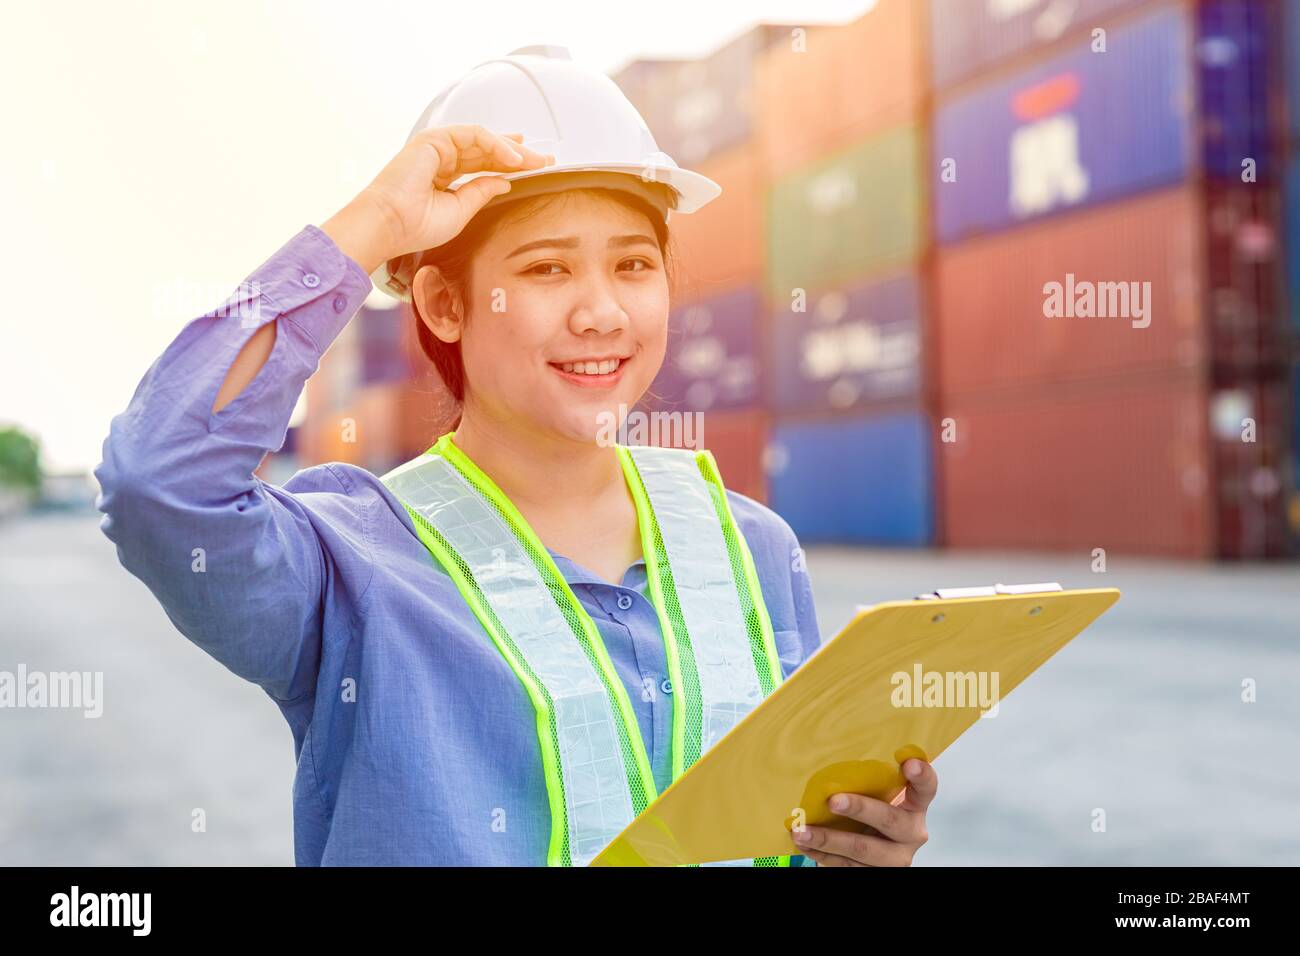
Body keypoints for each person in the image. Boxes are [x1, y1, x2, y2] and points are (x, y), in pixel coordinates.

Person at [95, 47, 936, 866]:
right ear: (444, 304)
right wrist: (378, 224)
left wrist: (848, 857)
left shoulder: (756, 551)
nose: (603, 312)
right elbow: (159, 482)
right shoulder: (350, 566)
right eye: (546, 270)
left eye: (635, 265)